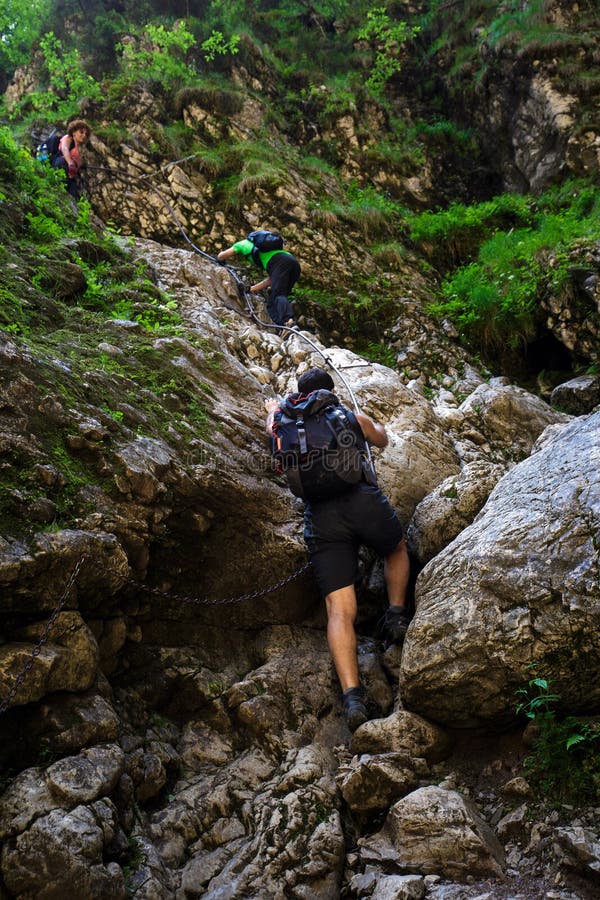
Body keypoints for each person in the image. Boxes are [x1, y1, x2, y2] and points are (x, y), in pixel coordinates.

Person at [265, 367, 410, 731]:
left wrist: (270, 408)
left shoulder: (286, 424)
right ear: (329, 394)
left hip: (322, 518)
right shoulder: (348, 416)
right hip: (361, 500)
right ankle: (394, 616)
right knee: (395, 548)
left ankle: (352, 697)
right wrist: (368, 425)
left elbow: (271, 427)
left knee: (339, 609)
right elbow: (382, 441)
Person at [217, 234, 300, 326]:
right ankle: (282, 326)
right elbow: (271, 279)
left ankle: (289, 321)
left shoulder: (243, 244)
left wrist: (220, 260)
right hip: (294, 263)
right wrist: (251, 289)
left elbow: (222, 256)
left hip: (279, 262)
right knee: (274, 300)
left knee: (278, 294)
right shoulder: (269, 249)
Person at [52, 119, 90, 199]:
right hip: (60, 164)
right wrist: (70, 162)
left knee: (75, 194)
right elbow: (64, 148)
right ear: (74, 132)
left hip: (69, 175)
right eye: (81, 132)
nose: (84, 135)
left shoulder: (79, 151)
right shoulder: (68, 138)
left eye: (86, 134)